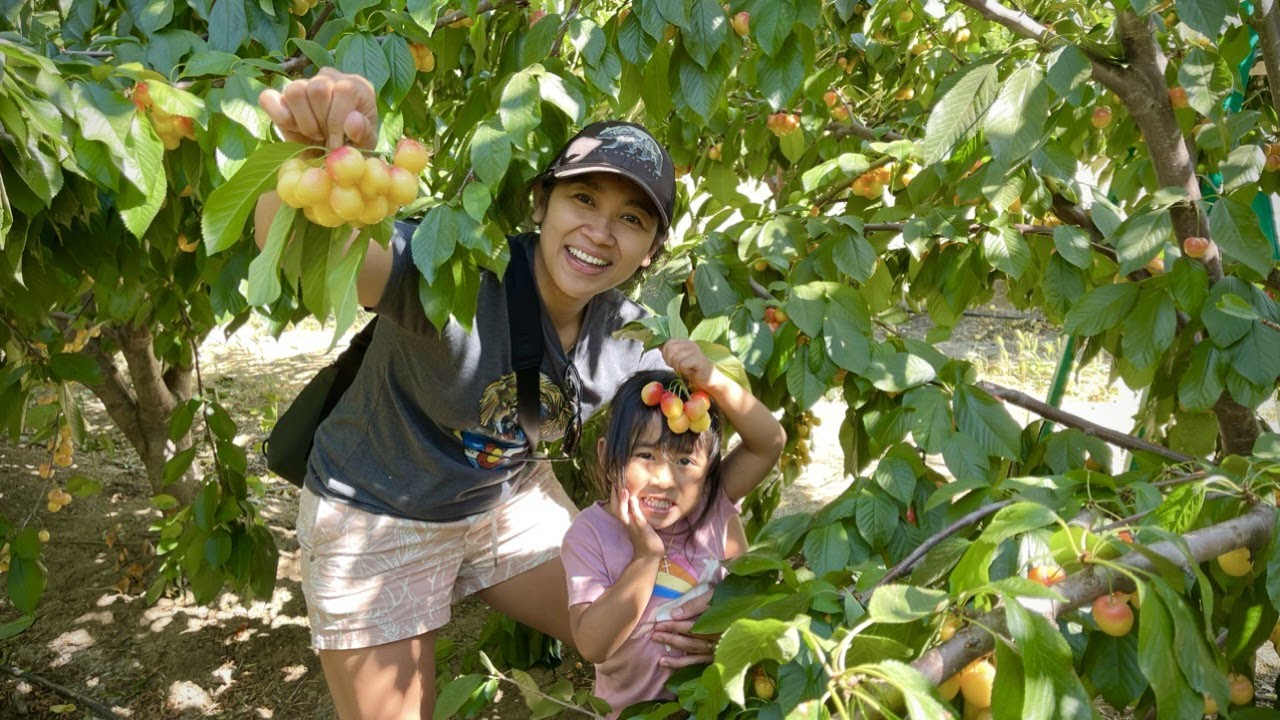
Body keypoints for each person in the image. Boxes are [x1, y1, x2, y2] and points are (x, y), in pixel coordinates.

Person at [252, 68, 718, 719]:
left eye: (631, 218)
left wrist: (708, 593)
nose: (601, 232)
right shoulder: (459, 271)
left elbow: (693, 443)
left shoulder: (628, 334)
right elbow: (307, 253)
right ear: (541, 204)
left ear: (649, 251)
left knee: (653, 626)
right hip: (381, 511)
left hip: (504, 501)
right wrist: (315, 166)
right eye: (582, 200)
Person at [561, 342, 786, 717]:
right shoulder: (590, 535)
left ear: (709, 472)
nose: (664, 479)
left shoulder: (710, 505)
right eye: (645, 455)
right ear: (606, 457)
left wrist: (711, 381)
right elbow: (592, 645)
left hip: (717, 705)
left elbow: (769, 443)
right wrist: (646, 556)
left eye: (684, 460)